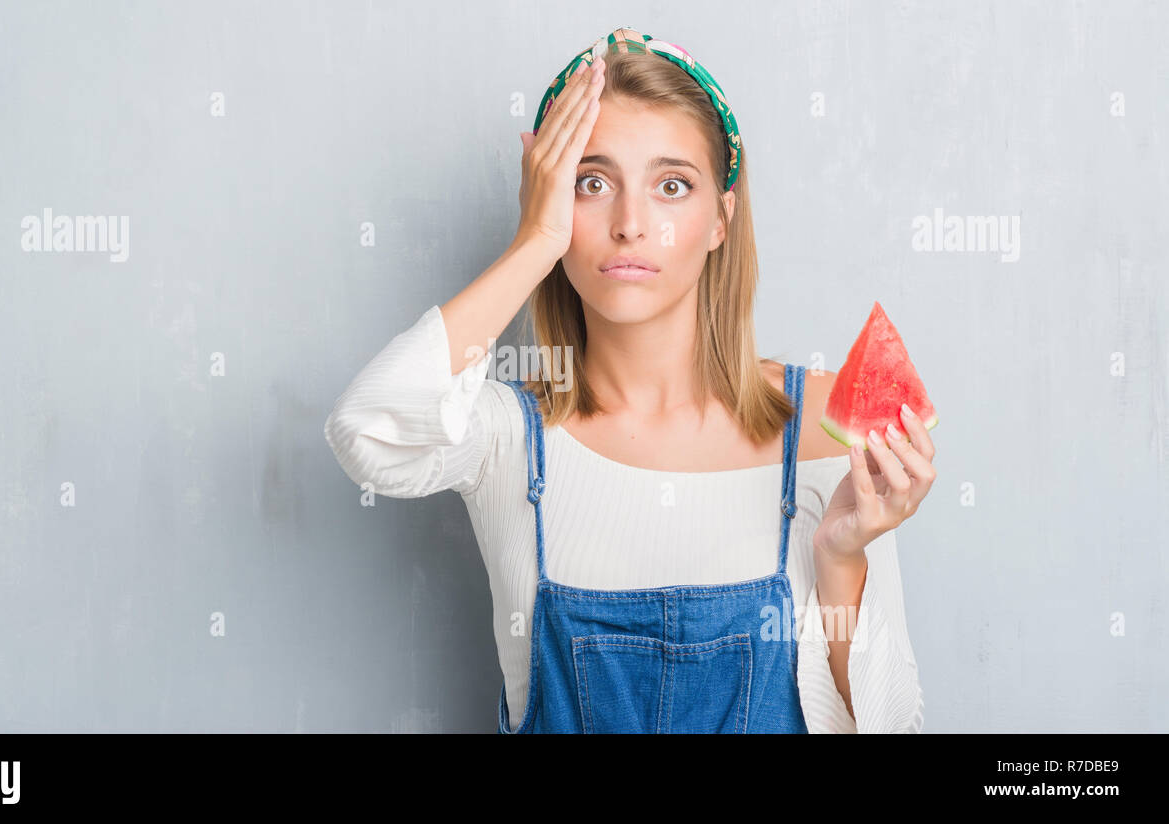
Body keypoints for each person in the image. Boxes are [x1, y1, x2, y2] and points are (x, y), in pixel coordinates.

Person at [324, 27, 934, 733]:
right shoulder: (502, 438)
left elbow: (896, 727)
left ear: (719, 222)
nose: (631, 224)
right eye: (591, 183)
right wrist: (535, 243)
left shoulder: (824, 426)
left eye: (672, 185)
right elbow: (366, 428)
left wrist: (839, 557)